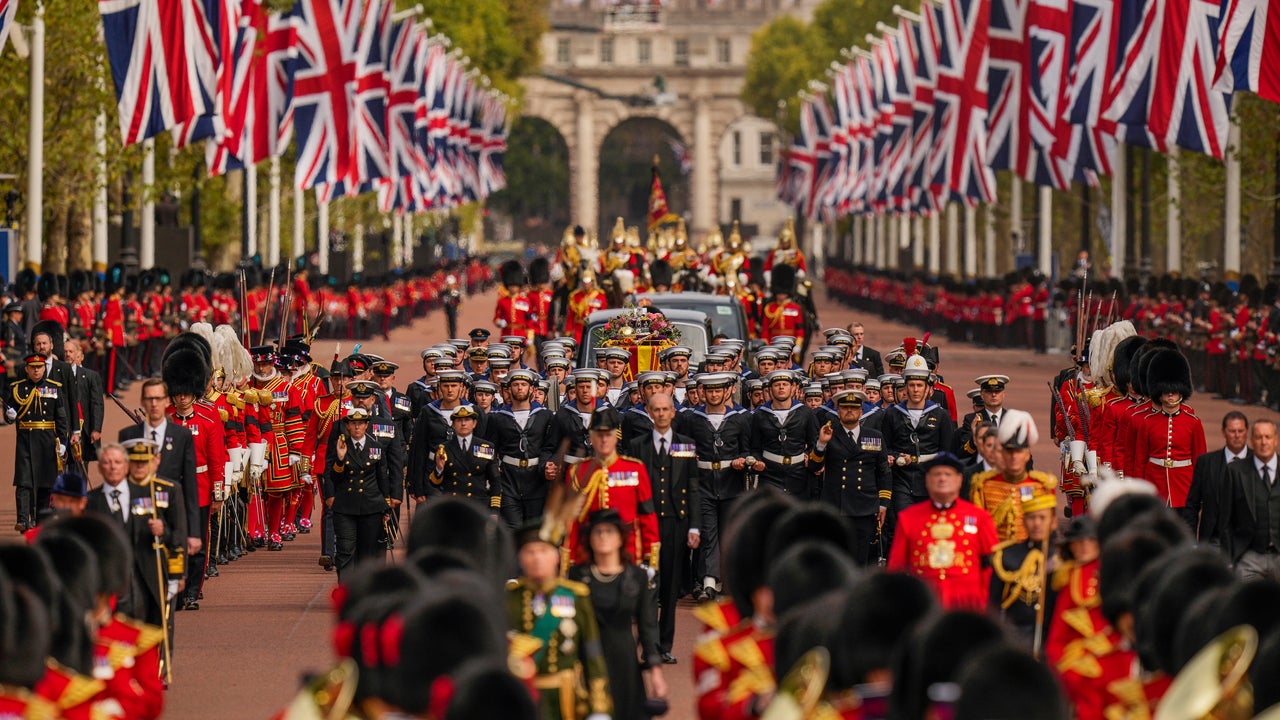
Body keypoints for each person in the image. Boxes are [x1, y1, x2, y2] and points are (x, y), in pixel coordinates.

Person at [507, 517, 612, 720]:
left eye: (543, 551)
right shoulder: (510, 599)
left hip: (566, 699)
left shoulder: (577, 597)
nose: (537, 558)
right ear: (520, 559)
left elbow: (592, 653)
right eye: (530, 552)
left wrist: (599, 708)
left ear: (556, 557)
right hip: (522, 699)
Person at [567, 509, 665, 720]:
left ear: (621, 538)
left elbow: (647, 626)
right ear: (589, 538)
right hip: (586, 659)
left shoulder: (636, 576)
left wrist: (655, 671)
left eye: (609, 531)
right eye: (598, 531)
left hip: (624, 660)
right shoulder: (577, 576)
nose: (603, 536)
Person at [625, 392, 699, 664]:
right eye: (656, 409)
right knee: (647, 586)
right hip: (646, 524)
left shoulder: (685, 444)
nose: (661, 414)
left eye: (665, 409)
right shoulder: (637, 446)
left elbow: (692, 486)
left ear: (673, 412)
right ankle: (648, 644)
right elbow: (631, 487)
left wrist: (695, 527)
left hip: (676, 524)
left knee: (670, 588)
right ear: (648, 412)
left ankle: (664, 646)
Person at [86, 443, 181, 631]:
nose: (113, 467)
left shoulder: (148, 495)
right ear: (99, 467)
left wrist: (163, 532)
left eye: (117, 462)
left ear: (126, 466)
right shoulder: (90, 502)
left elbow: (173, 536)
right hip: (107, 587)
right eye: (107, 462)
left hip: (145, 582)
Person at [887, 452, 998, 610]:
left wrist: (983, 601)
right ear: (927, 480)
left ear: (959, 479)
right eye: (937, 474)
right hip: (925, 605)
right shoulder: (908, 518)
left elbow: (991, 565)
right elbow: (896, 569)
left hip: (967, 605)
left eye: (948, 474)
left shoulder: (979, 517)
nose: (942, 479)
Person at [564, 408, 660, 570]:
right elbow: (571, 522)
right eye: (599, 435)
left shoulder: (635, 469)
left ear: (616, 437)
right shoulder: (577, 471)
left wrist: (650, 557)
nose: (604, 440)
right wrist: (569, 559)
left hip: (628, 552)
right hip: (587, 554)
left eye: (608, 435)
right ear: (591, 438)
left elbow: (646, 514)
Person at [119, 379, 200, 559]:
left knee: (173, 572)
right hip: (137, 518)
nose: (154, 404)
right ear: (142, 402)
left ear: (167, 401)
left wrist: (194, 532)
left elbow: (190, 485)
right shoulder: (128, 435)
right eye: (149, 399)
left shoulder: (182, 436)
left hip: (172, 517)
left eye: (158, 398)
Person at [808, 389, 890, 565]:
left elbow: (883, 472)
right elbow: (814, 467)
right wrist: (821, 444)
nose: (849, 411)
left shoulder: (874, 436)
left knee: (861, 558)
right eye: (845, 408)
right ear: (838, 412)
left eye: (854, 407)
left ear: (861, 412)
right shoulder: (829, 434)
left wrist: (883, 503)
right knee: (836, 558)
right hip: (836, 506)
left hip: (865, 506)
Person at [323, 407, 393, 580]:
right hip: (346, 506)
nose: (357, 427)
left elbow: (382, 477)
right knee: (345, 550)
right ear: (347, 426)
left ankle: (364, 589)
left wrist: (386, 505)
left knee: (367, 552)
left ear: (366, 425)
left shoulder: (376, 447)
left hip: (371, 506)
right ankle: (346, 589)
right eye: (353, 423)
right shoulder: (341, 445)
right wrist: (340, 459)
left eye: (360, 423)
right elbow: (332, 476)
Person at [969, 410, 1057, 543]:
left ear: (1027, 455)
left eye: (1019, 451)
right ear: (1002, 453)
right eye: (1009, 451)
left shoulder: (1042, 485)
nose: (1014, 456)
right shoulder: (983, 485)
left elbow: (1049, 529)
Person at [989, 491, 1059, 653]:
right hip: (1017, 637)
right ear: (1024, 522)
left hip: (1052, 638)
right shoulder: (1007, 556)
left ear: (1054, 522)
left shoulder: (1062, 557)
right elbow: (994, 604)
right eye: (1031, 518)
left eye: (1042, 518)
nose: (1037, 524)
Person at [7, 353, 70, 531]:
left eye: (39, 367)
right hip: (26, 440)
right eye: (33, 367)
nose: (36, 370)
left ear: (44, 368)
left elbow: (61, 419)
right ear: (27, 369)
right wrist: (10, 415)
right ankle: (22, 520)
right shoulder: (18, 389)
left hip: (47, 440)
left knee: (46, 483)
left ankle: (42, 520)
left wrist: (63, 442)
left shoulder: (54, 388)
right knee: (23, 481)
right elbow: (11, 412)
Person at [1219, 418, 1280, 581]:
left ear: (1276, 440)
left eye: (1268, 437)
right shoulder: (1235, 471)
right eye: (1259, 437)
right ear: (1251, 440)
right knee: (1245, 596)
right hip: (1248, 557)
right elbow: (1225, 520)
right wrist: (1229, 559)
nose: (1263, 442)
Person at [750, 370, 820, 497]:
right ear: (770, 389)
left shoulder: (806, 413)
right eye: (777, 385)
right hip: (769, 473)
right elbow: (755, 447)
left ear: (793, 388)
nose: (781, 387)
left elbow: (813, 442)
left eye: (785, 384)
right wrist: (757, 461)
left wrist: (808, 455)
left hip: (798, 474)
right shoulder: (759, 415)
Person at [1183, 411, 1247, 543]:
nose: (1237, 436)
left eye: (1240, 431)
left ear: (1247, 432)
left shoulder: (1258, 462)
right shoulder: (1206, 463)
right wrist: (1190, 542)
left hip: (1248, 543)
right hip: (1213, 539)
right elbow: (1192, 505)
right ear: (1223, 432)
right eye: (1232, 431)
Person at [427, 405, 501, 510]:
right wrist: (439, 468)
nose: (463, 424)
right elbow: (434, 483)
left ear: (474, 423)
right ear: (453, 424)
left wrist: (494, 510)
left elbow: (495, 479)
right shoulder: (443, 449)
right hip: (452, 506)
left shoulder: (486, 447)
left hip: (479, 507)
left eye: (467, 420)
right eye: (459, 420)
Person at [63, 339, 104, 464]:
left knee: (80, 467)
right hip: (63, 429)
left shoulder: (90, 376)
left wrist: (96, 429)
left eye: (71, 351)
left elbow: (97, 403)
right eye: (65, 352)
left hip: (84, 430)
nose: (68, 354)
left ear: (77, 354)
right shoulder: (57, 374)